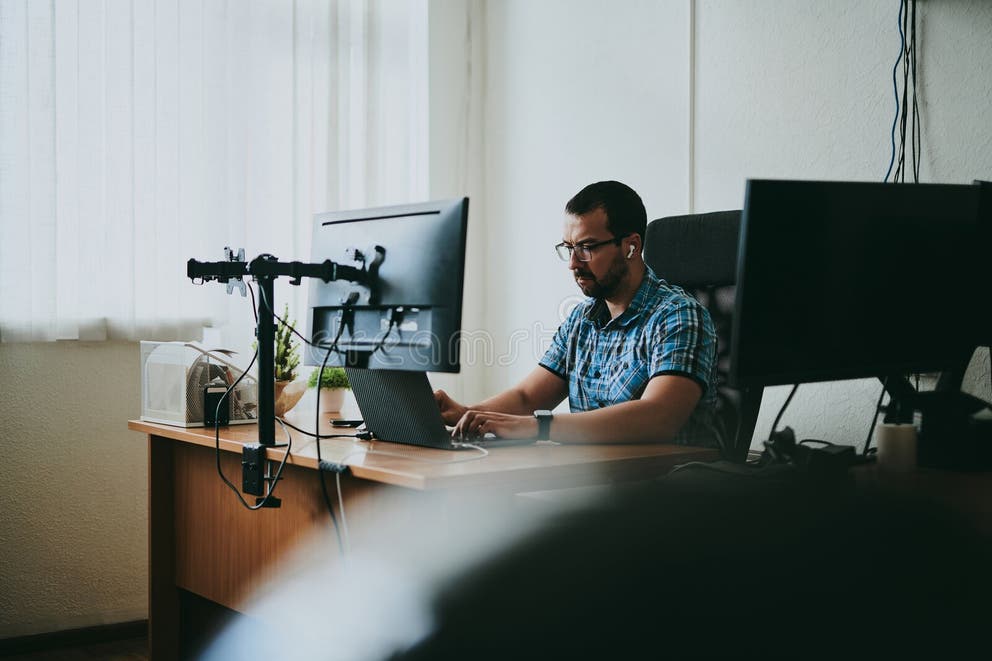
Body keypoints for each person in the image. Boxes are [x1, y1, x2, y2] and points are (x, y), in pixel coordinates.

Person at [435, 180, 721, 445]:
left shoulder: (678, 316)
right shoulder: (581, 320)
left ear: (631, 246)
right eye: (569, 248)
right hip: (597, 478)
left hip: (670, 485)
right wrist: (464, 412)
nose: (573, 263)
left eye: (586, 248)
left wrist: (539, 426)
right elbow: (528, 397)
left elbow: (658, 417)